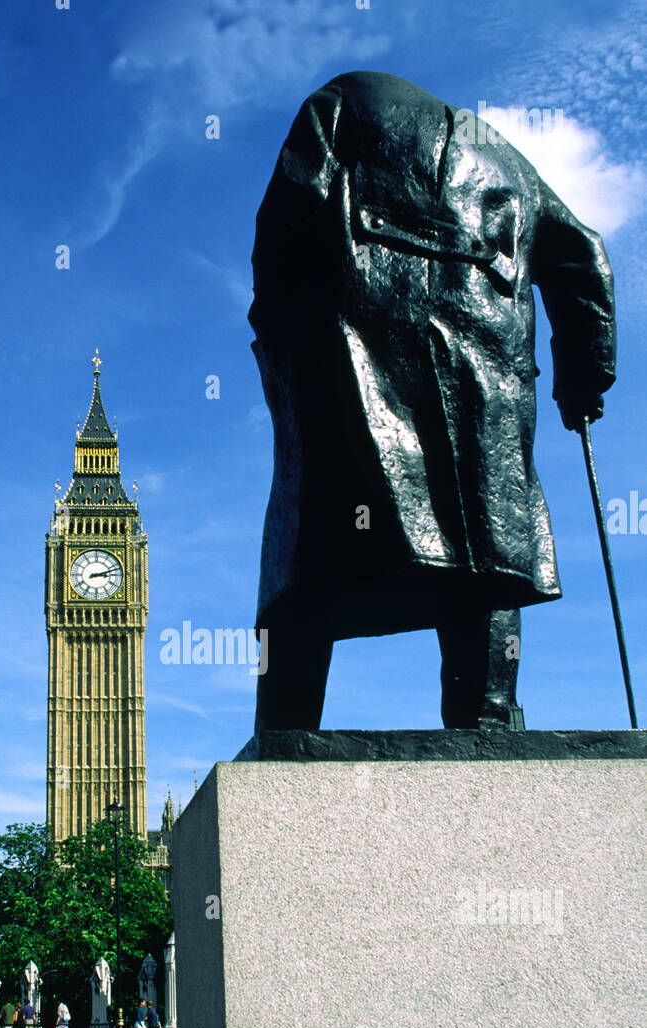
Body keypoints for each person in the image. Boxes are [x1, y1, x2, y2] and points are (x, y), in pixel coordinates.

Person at [249, 71, 615, 732]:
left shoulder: (341, 102)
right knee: (488, 545)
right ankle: (488, 719)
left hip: (355, 349)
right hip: (490, 376)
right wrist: (583, 378)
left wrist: (278, 329)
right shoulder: (506, 158)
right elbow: (585, 255)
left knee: (315, 540)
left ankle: (287, 728)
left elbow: (287, 216)